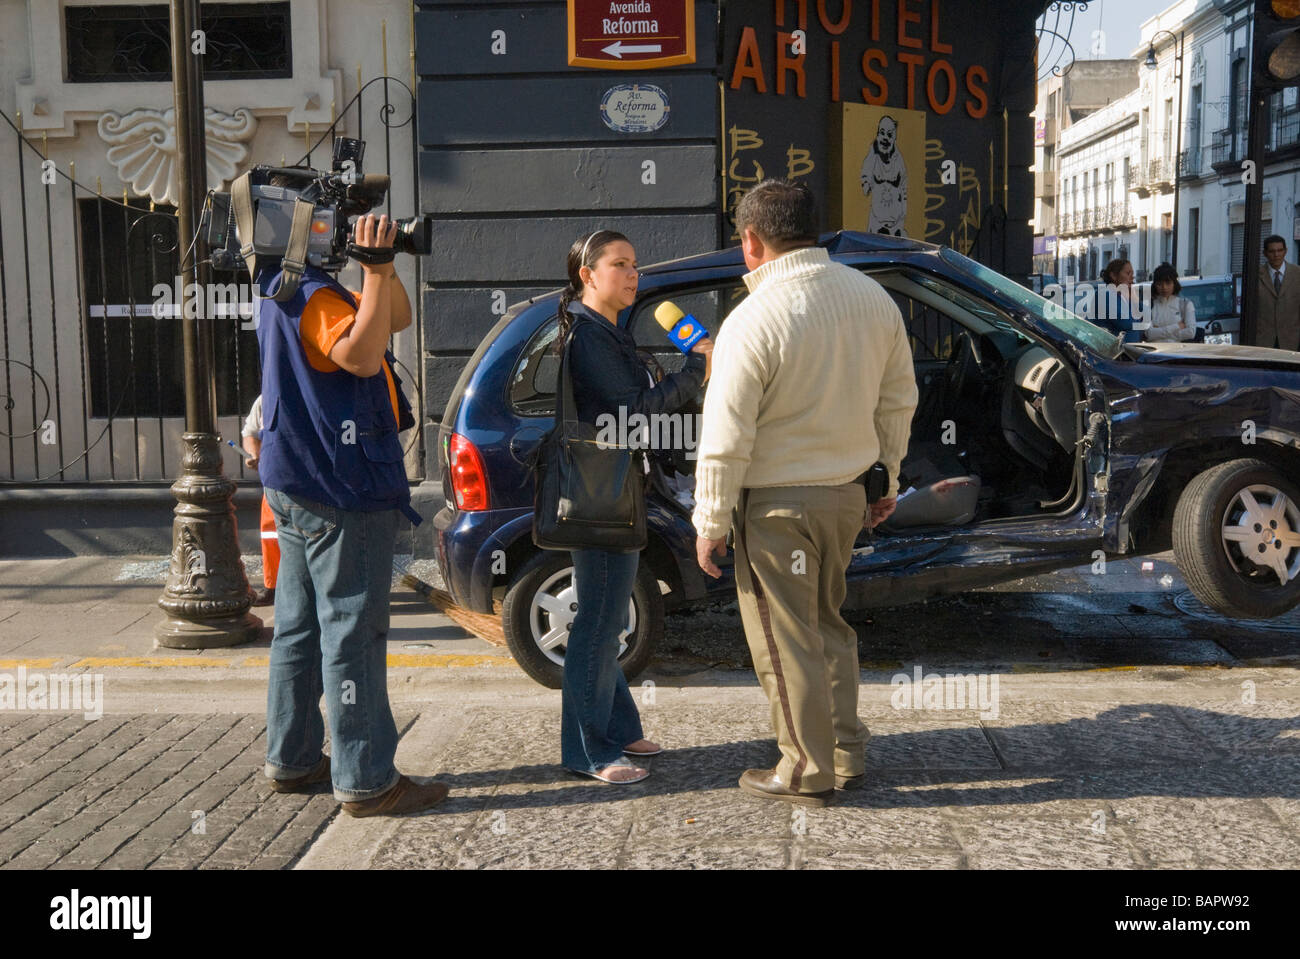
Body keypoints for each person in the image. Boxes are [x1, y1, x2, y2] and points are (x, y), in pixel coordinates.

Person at [692, 179, 918, 806]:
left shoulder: (752, 319)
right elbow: (898, 401)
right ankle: (845, 753)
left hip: (777, 506)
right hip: (846, 496)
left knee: (785, 640)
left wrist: (710, 520)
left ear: (751, 241)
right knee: (827, 626)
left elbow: (726, 436)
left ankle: (803, 770)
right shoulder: (874, 300)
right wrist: (887, 478)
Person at [257, 212, 448, 816]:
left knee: (299, 626)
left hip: (298, 480)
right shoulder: (313, 295)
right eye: (333, 223)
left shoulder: (283, 283)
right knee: (353, 632)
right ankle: (366, 780)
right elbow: (364, 357)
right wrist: (374, 268)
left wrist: (381, 268)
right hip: (340, 488)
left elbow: (395, 319)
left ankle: (292, 759)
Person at [557, 229, 712, 784]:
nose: (632, 275)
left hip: (619, 492)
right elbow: (632, 414)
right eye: (619, 264)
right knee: (598, 622)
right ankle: (587, 751)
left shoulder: (609, 332)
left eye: (635, 264)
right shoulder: (589, 337)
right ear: (588, 275)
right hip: (599, 498)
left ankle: (619, 730)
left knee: (608, 618)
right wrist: (694, 372)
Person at [240, 394, 278, 607]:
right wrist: (255, 454)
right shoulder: (265, 399)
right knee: (271, 533)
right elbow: (250, 433)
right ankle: (273, 585)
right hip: (275, 479)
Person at [1256, 235, 1300, 351]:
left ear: (1285, 251)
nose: (1276, 255)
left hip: (1292, 341)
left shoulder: (1297, 274)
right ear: (1265, 253)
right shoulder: (1255, 275)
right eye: (1272, 251)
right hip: (1263, 342)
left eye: (1280, 250)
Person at [1083, 258, 1141, 342]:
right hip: (1110, 348)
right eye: (1128, 273)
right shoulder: (1104, 294)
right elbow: (1125, 323)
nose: (1132, 277)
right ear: (1113, 276)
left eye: (1132, 274)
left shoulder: (1122, 295)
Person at [1144, 263, 1196, 343]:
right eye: (1159, 284)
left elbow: (1191, 332)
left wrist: (1158, 331)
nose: (1164, 287)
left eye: (1168, 283)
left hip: (1177, 350)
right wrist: (1177, 326)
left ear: (1174, 283)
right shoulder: (1148, 305)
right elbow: (1149, 334)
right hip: (1155, 350)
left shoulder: (1185, 304)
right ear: (1154, 285)